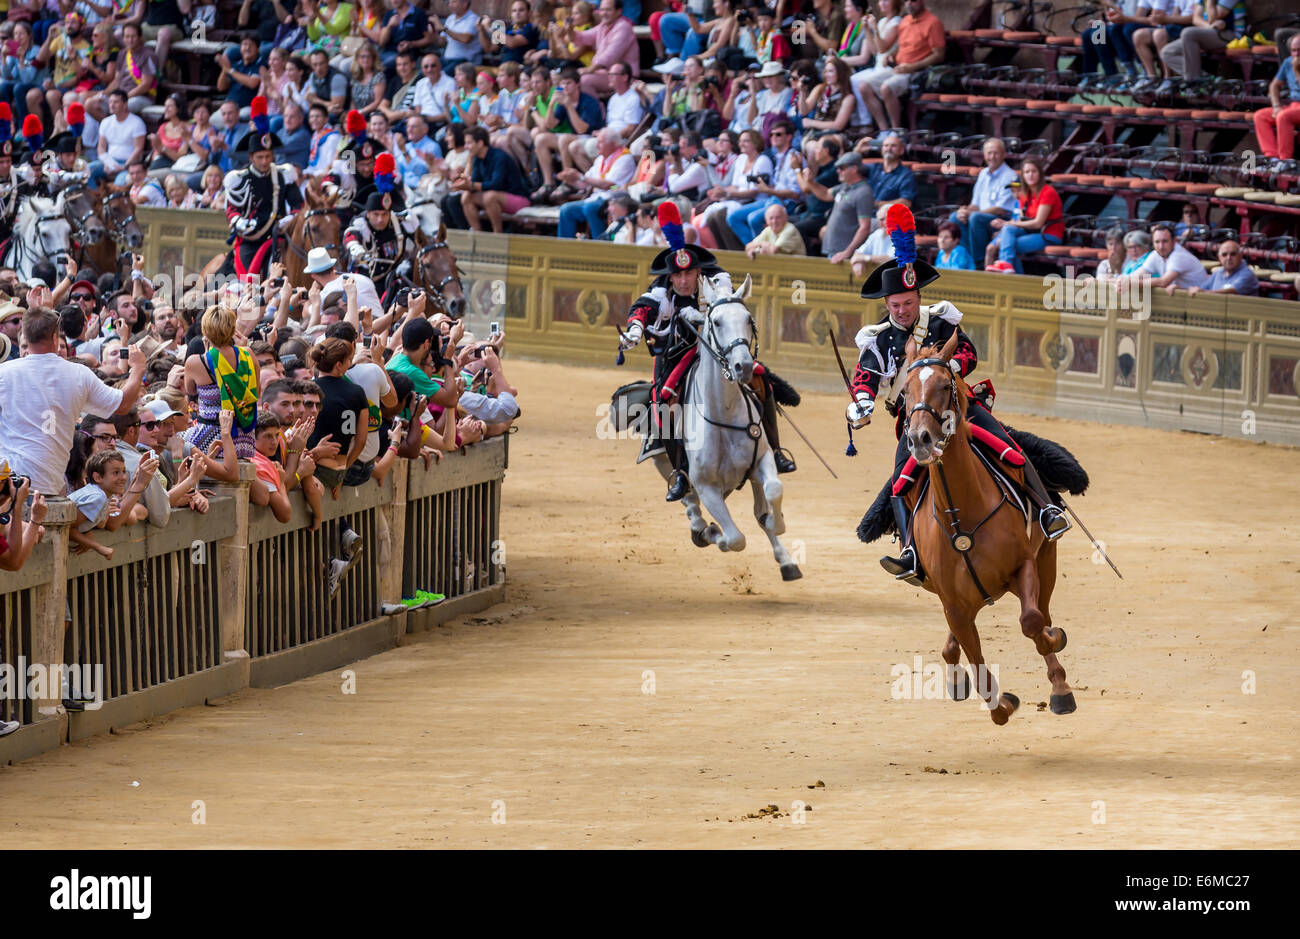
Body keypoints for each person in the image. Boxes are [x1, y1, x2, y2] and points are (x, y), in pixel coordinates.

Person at [845, 205, 1069, 585]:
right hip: (915, 417)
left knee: (1007, 445)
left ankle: (1046, 509)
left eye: (909, 303)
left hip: (958, 408)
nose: (903, 311)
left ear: (918, 297)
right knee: (901, 476)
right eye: (896, 306)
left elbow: (968, 352)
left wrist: (949, 371)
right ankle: (911, 550)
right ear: (886, 305)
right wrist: (861, 401)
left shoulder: (941, 320)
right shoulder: (878, 338)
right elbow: (864, 377)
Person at [619, 203, 797, 502]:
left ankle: (776, 451)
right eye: (678, 276)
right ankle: (678, 471)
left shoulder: (717, 283)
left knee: (760, 378)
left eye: (689, 273)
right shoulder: (661, 294)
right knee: (663, 401)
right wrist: (635, 331)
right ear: (671, 277)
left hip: (718, 352)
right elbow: (642, 310)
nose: (684, 280)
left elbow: (730, 307)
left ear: (698, 272)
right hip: (676, 356)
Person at [0, 306, 145, 497]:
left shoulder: (4, 373)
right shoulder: (78, 374)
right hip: (39, 486)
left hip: (14, 486)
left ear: (25, 337)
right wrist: (138, 369)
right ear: (55, 338)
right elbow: (124, 404)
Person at [221, 96, 303, 281]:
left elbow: (298, 204)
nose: (265, 161)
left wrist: (289, 218)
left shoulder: (283, 175)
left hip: (280, 236)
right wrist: (240, 223)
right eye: (260, 157)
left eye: (268, 156)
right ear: (251, 157)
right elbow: (231, 210)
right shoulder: (239, 179)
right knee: (247, 281)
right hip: (252, 238)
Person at [182, 305, 259, 462]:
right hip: (245, 437)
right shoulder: (248, 354)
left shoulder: (197, 361)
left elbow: (190, 390)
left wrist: (208, 354)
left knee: (177, 439)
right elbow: (257, 390)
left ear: (205, 331)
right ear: (233, 329)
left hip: (211, 437)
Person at [858, 0, 944, 130]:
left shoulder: (933, 22)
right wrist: (891, 54)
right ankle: (883, 130)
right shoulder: (905, 21)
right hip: (898, 68)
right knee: (864, 86)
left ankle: (896, 131)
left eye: (913, 1)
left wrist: (913, 66)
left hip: (917, 72)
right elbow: (901, 46)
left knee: (886, 88)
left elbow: (939, 55)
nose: (909, 4)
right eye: (907, 1)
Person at [342, 153, 418, 297]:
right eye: (376, 215)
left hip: (394, 280)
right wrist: (355, 247)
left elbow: (419, 241)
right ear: (368, 213)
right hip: (364, 281)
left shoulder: (397, 223)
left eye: (384, 215)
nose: (380, 219)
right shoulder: (360, 224)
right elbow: (350, 236)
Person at [947, 137, 1016, 268]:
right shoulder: (983, 174)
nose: (992, 156)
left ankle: (978, 262)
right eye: (989, 153)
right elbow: (975, 204)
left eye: (996, 153)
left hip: (1000, 218)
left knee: (976, 217)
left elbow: (1001, 209)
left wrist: (972, 213)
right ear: (984, 155)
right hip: (980, 217)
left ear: (1003, 154)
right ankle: (966, 259)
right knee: (955, 217)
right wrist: (965, 212)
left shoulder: (1011, 176)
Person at [555, 127, 635, 239]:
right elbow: (585, 183)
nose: (597, 145)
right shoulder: (600, 159)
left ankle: (600, 245)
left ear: (612, 143)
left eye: (600, 142)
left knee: (590, 208)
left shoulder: (624, 158)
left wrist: (580, 177)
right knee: (566, 210)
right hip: (595, 198)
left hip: (613, 198)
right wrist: (570, 179)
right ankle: (563, 249)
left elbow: (609, 185)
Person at [989, 156, 1063, 274]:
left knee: (1012, 244)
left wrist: (1009, 223)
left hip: (1048, 234)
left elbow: (1038, 223)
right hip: (1031, 232)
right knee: (1008, 230)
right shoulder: (1025, 194)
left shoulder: (1048, 191)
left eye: (1034, 171)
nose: (1030, 175)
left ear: (1040, 174)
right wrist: (1005, 230)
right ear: (1023, 175)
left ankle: (1011, 273)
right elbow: (1020, 220)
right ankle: (1007, 266)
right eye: (1027, 172)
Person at [457, 124, 531, 232]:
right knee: (466, 196)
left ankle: (497, 234)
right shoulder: (477, 158)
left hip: (518, 199)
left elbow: (496, 184)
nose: (466, 147)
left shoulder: (499, 157)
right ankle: (476, 234)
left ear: (480, 143)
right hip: (496, 199)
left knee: (490, 196)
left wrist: (471, 185)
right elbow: (474, 182)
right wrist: (467, 178)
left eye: (469, 143)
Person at [816, 152, 875, 263]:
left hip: (844, 255)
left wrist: (848, 252)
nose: (838, 171)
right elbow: (825, 194)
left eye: (842, 168)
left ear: (854, 169)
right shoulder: (845, 186)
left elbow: (865, 227)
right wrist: (810, 181)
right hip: (834, 250)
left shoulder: (864, 192)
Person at [1253, 34, 1300, 166]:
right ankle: (1272, 157)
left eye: (1299, 50)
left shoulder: (1295, 64)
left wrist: (1297, 71)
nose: (1297, 54)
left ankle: (1285, 160)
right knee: (1260, 116)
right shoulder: (1287, 62)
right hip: (1294, 105)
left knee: (1284, 117)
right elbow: (1274, 85)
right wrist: (1276, 105)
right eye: (1294, 50)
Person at [1128, 223, 1210, 293]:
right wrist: (1122, 280)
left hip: (1207, 300)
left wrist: (1133, 283)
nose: (1161, 246)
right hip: (1188, 301)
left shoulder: (1178, 255)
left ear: (1174, 241)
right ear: (1153, 243)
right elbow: (1136, 275)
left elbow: (1164, 282)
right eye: (1157, 242)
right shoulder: (1155, 255)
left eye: (1165, 241)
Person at [1188, 240, 1258, 296]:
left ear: (1240, 256)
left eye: (1233, 254)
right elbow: (1201, 289)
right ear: (1219, 258)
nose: (1228, 258)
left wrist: (1203, 292)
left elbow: (1231, 291)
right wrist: (1180, 288)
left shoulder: (1247, 274)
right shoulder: (1218, 273)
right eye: (1224, 254)